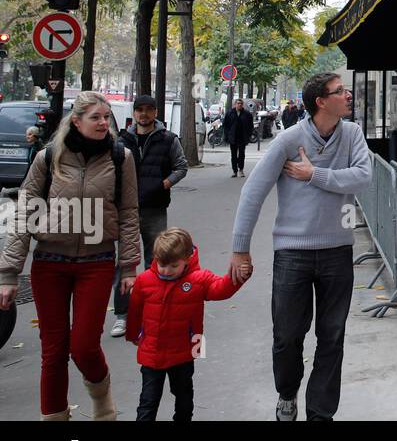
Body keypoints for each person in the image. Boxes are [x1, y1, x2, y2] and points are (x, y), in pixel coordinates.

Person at [229, 72, 371, 421]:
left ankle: (320, 412)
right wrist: (240, 247)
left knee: (332, 336)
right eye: (340, 91)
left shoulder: (352, 134)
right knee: (288, 335)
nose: (348, 95)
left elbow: (364, 176)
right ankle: (287, 391)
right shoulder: (290, 140)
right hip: (292, 253)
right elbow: (253, 191)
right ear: (321, 102)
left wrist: (315, 175)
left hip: (338, 249)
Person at [0, 91, 140, 421]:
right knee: (53, 352)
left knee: (84, 346)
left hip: (97, 261)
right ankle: (55, 417)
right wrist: (8, 274)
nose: (104, 122)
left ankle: (101, 394)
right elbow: (24, 214)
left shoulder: (121, 158)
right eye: (96, 117)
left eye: (107, 117)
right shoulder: (48, 158)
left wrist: (129, 265)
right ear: (76, 122)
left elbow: (129, 212)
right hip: (50, 264)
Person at [126, 226, 243, 421]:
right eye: (162, 264)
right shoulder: (144, 280)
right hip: (151, 351)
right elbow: (135, 311)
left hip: (186, 349)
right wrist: (133, 334)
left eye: (173, 266)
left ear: (187, 259)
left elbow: (221, 289)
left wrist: (239, 277)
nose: (166, 270)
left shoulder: (199, 279)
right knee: (148, 400)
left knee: (184, 395)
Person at [111, 95, 188, 339]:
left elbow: (181, 166)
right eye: (139, 110)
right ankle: (122, 316)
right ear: (134, 113)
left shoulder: (168, 139)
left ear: (155, 112)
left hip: (155, 208)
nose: (144, 114)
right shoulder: (122, 140)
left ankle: (152, 311)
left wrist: (163, 184)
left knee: (156, 261)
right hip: (127, 210)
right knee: (125, 263)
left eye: (148, 110)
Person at [222, 98, 255, 177]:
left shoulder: (247, 114)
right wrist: (226, 136)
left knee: (241, 154)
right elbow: (225, 126)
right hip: (233, 137)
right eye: (238, 103)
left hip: (242, 137)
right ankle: (234, 171)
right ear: (235, 104)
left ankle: (241, 169)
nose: (239, 105)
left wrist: (249, 135)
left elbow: (250, 126)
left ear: (242, 105)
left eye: (240, 103)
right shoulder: (230, 113)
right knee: (233, 155)